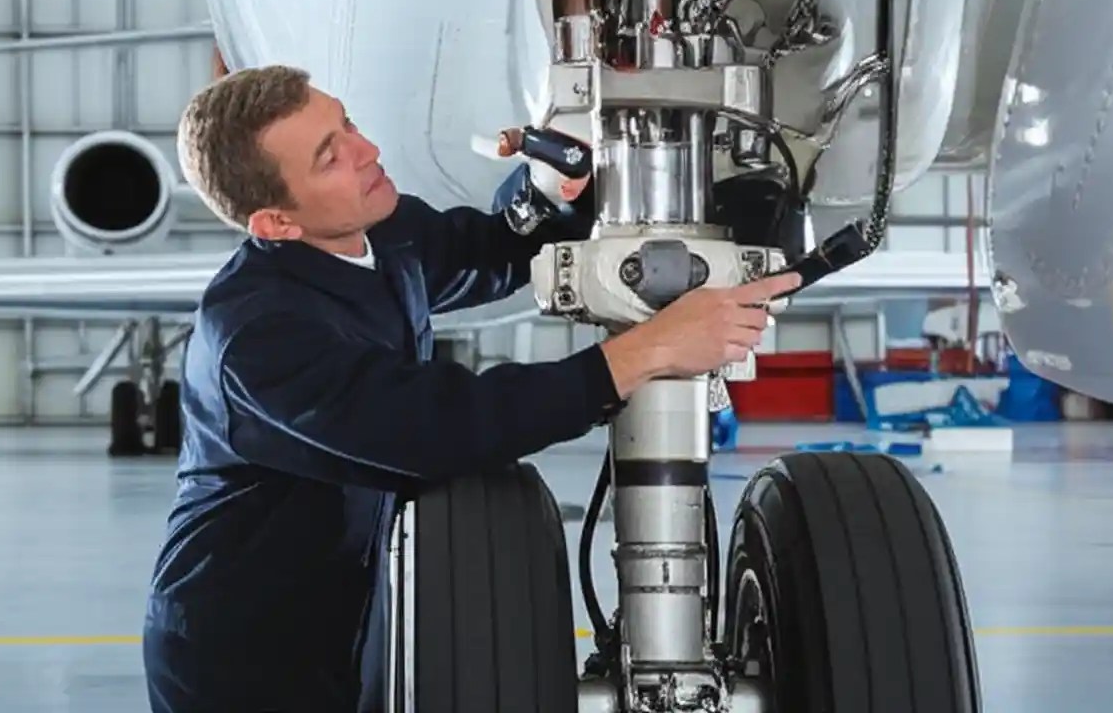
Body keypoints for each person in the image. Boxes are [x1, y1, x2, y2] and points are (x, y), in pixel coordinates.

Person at [140, 63, 801, 713]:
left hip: (351, 609)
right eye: (328, 157)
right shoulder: (257, 335)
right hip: (244, 654)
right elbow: (438, 428)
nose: (367, 151)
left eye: (347, 125)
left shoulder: (376, 230)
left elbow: (485, 251)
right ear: (275, 224)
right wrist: (646, 351)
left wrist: (552, 188)